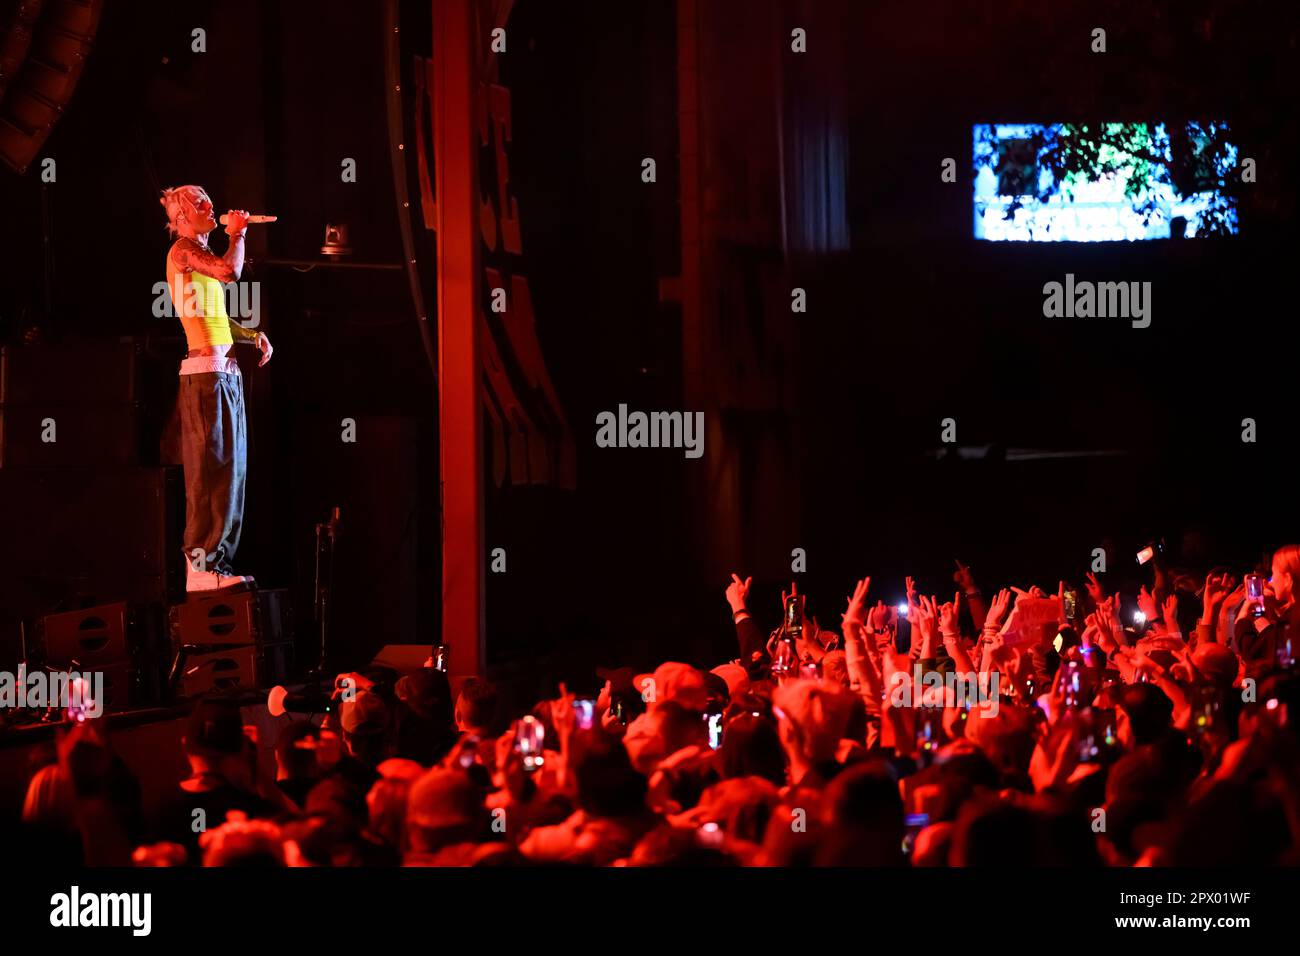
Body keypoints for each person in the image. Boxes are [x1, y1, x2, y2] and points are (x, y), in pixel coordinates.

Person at [160, 185, 273, 591]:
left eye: (208, 199)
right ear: (182, 218)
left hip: (224, 374)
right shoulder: (182, 251)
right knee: (210, 470)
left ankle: (217, 566)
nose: (210, 206)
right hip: (205, 375)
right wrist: (239, 233)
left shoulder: (200, 256)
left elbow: (215, 315)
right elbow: (231, 272)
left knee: (231, 472)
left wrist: (251, 335)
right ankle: (199, 564)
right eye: (199, 203)